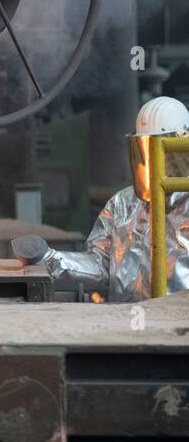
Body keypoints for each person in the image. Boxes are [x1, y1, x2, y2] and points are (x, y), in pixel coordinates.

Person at [19, 96, 189, 301]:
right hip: (125, 323)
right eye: (145, 148)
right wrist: (48, 258)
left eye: (162, 149)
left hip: (178, 327)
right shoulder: (122, 204)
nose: (153, 158)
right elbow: (100, 264)